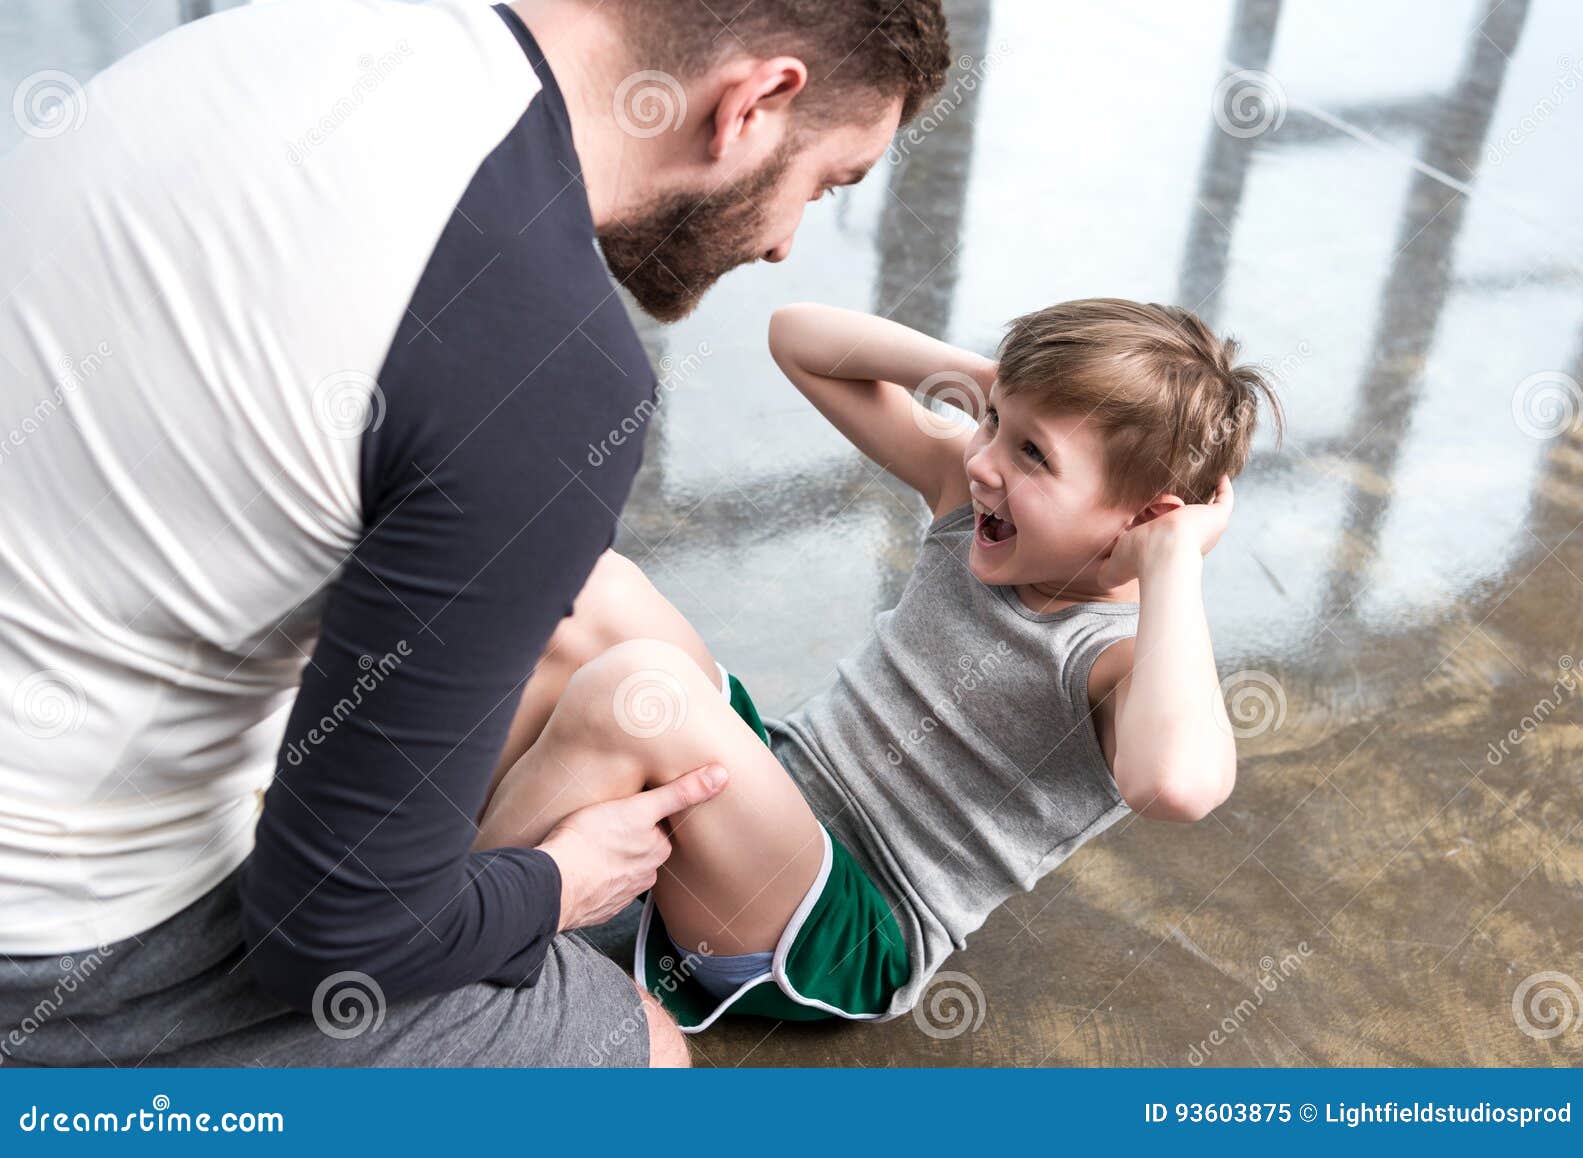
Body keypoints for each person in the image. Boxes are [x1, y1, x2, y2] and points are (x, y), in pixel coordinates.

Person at [0, 1, 949, 1067]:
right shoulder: (546, 371)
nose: (784, 244)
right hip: (54, 945)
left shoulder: (294, 37)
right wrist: (556, 884)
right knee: (635, 1047)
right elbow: (330, 941)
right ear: (754, 105)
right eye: (823, 183)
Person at [474, 299, 1284, 1030]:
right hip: (775, 788)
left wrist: (1173, 562)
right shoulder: (975, 502)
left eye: (1033, 454)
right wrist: (988, 384)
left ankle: (447, 941)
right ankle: (458, 846)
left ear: (1149, 519)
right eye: (992, 423)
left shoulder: (1116, 660)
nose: (984, 461)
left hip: (839, 925)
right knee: (593, 589)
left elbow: (1177, 784)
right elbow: (797, 337)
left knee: (637, 688)